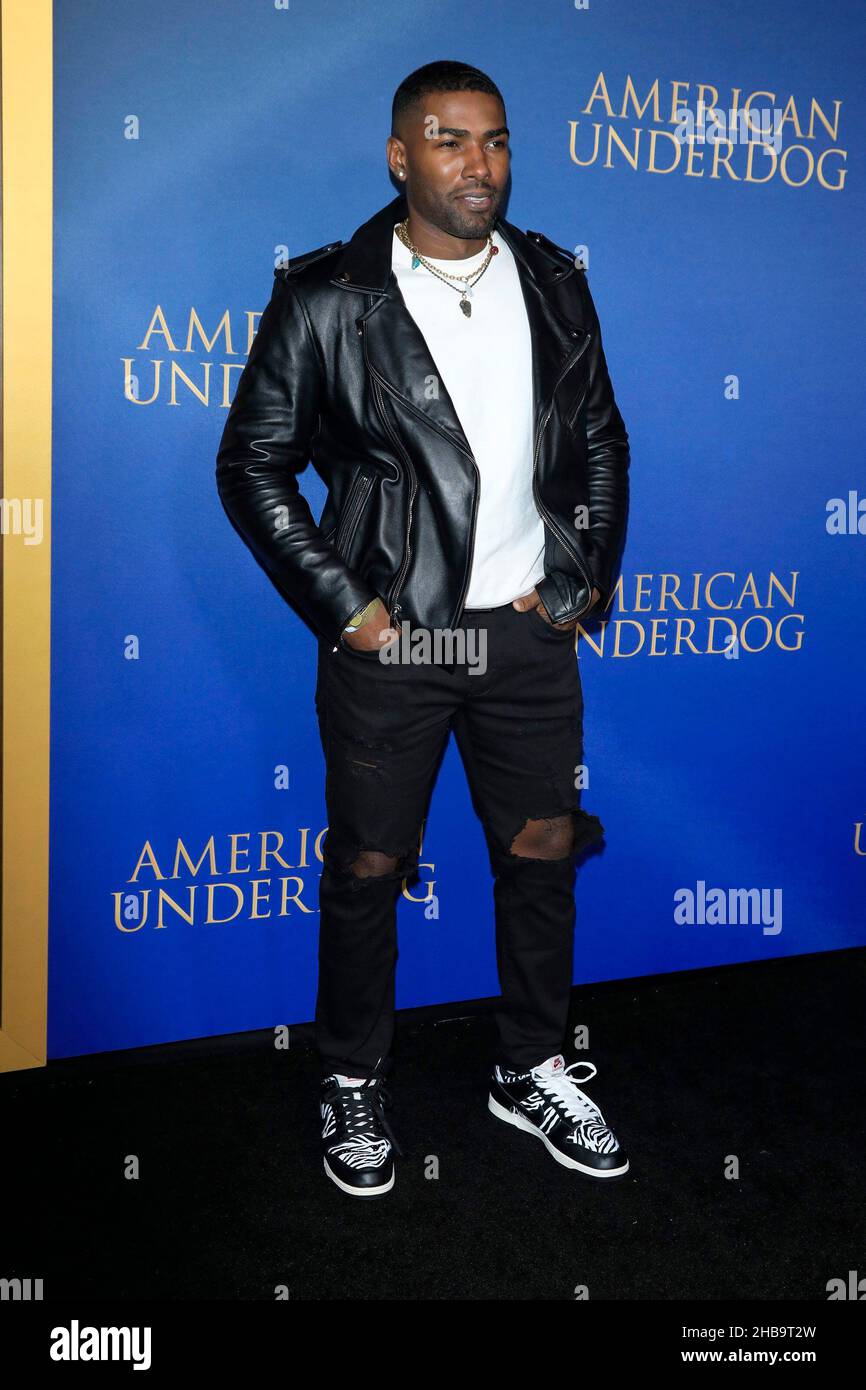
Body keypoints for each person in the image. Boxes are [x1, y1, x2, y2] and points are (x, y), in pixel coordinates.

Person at [215, 60, 631, 1198]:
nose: (478, 165)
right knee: (367, 863)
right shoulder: (326, 298)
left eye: (494, 141)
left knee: (542, 849)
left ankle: (532, 1062)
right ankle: (351, 1076)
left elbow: (597, 435)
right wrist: (347, 609)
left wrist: (582, 576)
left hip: (524, 637)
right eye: (448, 142)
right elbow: (251, 466)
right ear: (399, 157)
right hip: (398, 643)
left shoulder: (551, 279)